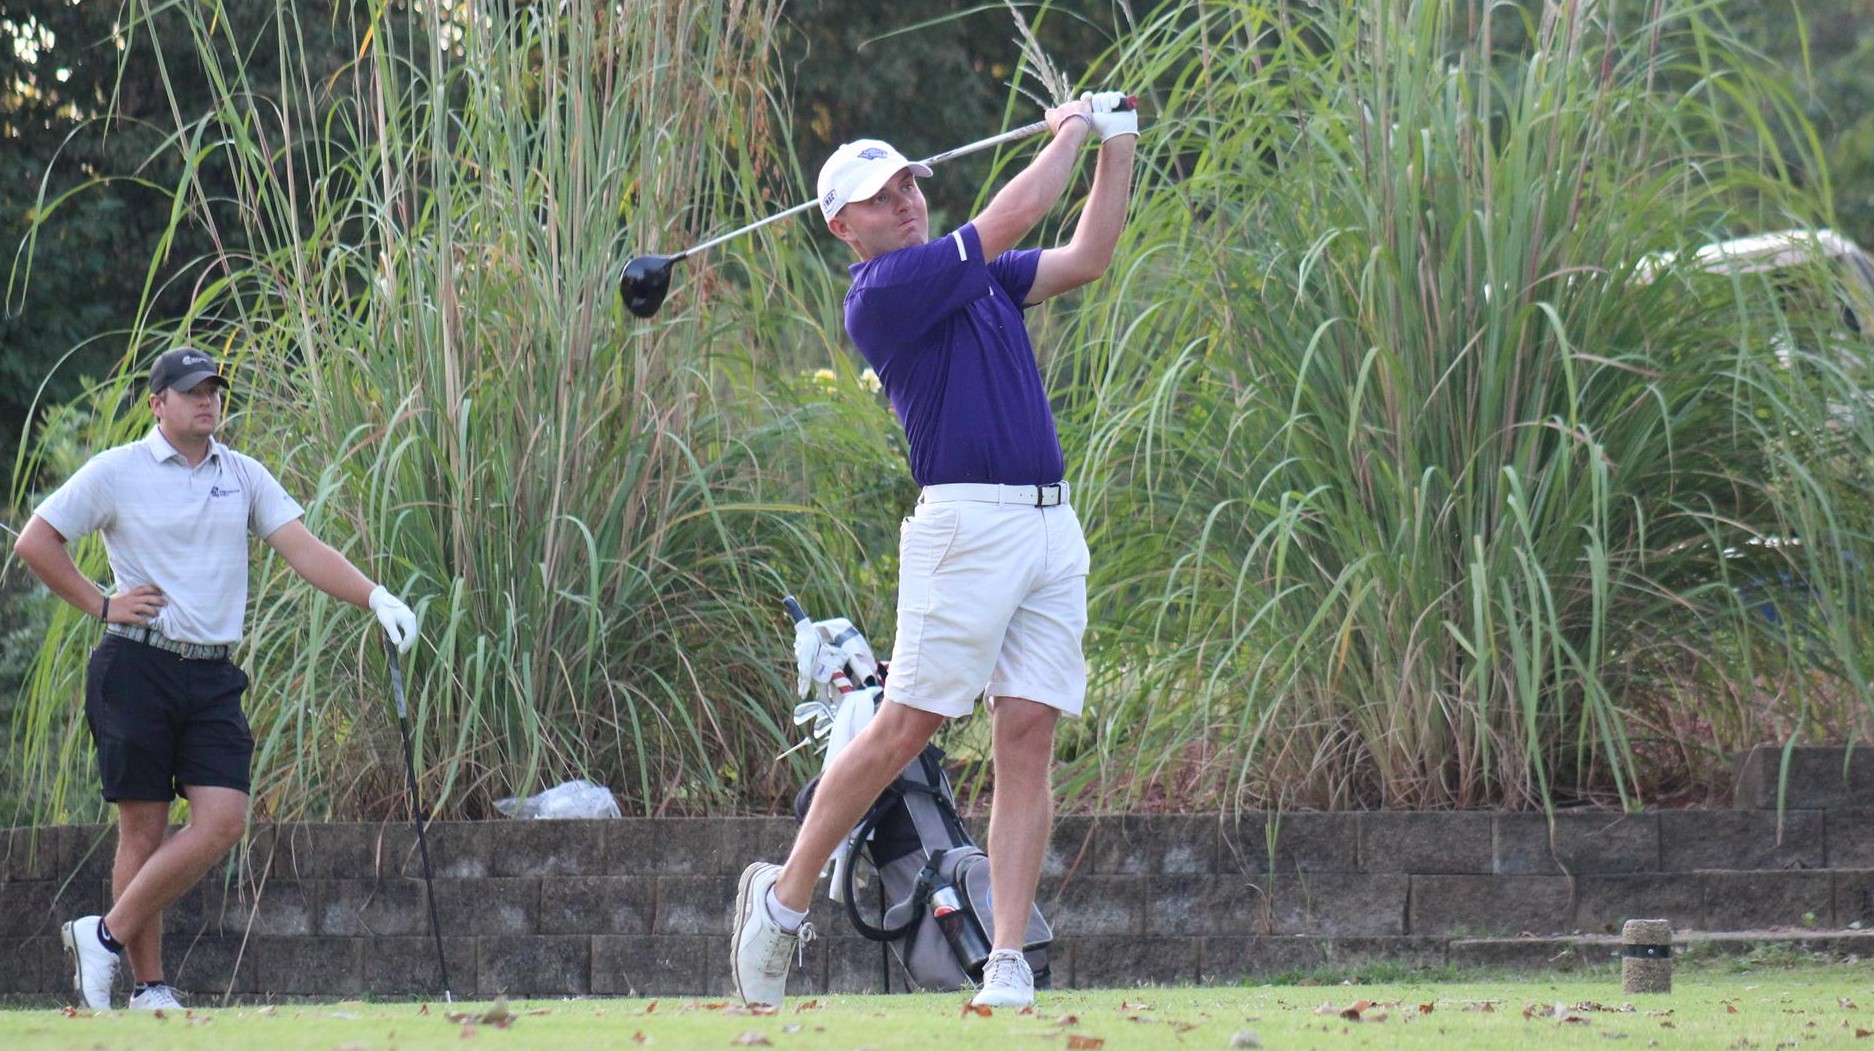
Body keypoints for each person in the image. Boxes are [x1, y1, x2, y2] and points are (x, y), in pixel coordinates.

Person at [730, 91, 1139, 1010]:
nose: (906, 201)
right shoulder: (883, 294)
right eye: (881, 196)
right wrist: (1071, 127)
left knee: (1027, 734)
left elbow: (1089, 254)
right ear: (845, 227)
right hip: (965, 525)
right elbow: (1015, 213)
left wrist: (1118, 143)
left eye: (910, 184)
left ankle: (1004, 961)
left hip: (1047, 523)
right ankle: (785, 901)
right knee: (907, 724)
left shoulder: (980, 276)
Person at [13, 346, 420, 1012]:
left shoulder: (244, 475)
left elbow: (303, 547)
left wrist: (374, 596)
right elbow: (36, 539)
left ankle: (103, 935)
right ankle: (148, 987)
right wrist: (102, 602)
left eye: (213, 389)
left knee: (224, 819)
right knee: (141, 832)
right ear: (158, 403)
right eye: (191, 390)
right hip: (136, 664)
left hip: (211, 674)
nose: (207, 399)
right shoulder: (118, 470)